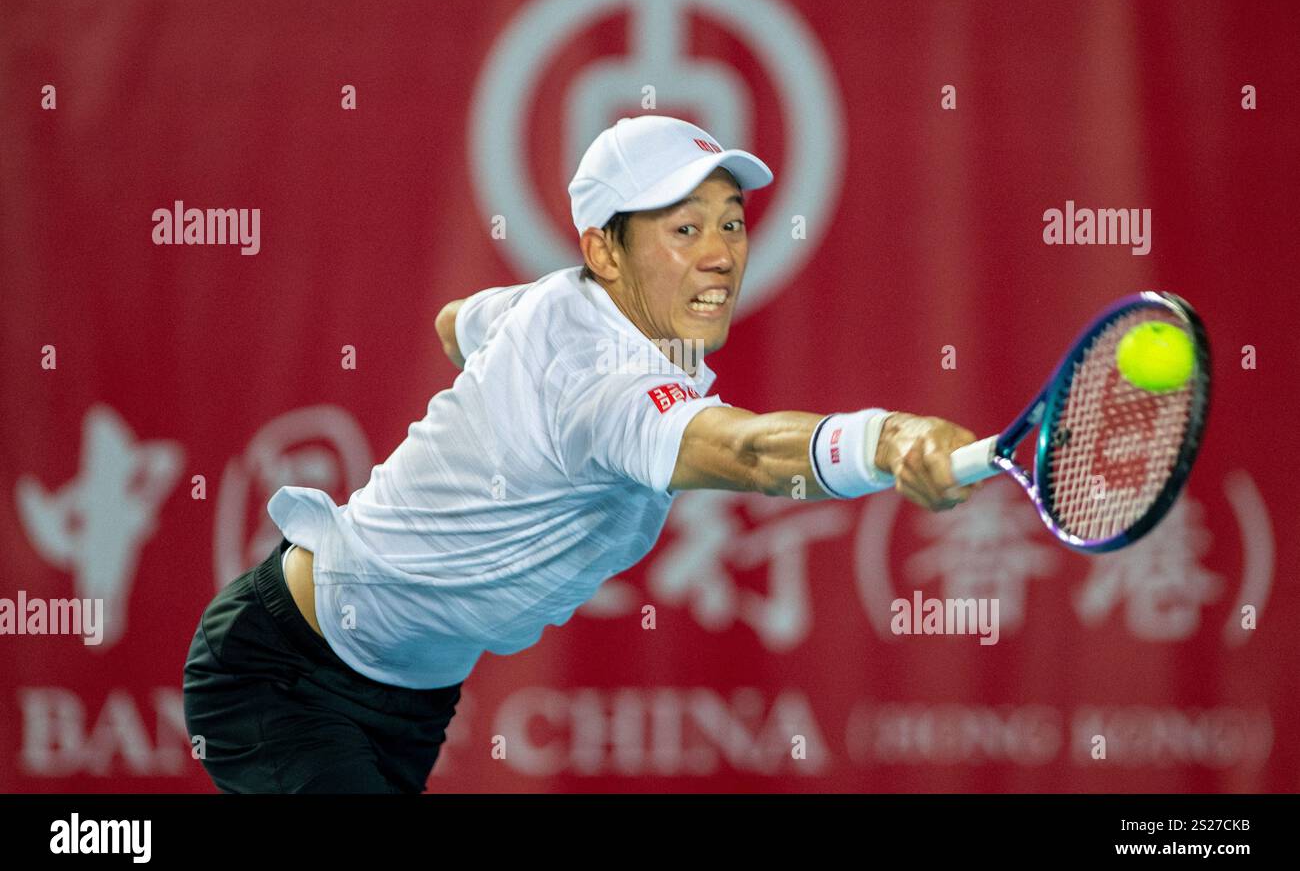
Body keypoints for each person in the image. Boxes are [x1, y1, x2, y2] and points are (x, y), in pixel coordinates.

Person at [182, 114, 981, 793]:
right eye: (683, 228)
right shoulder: (605, 385)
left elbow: (455, 321)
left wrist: (512, 383)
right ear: (604, 252)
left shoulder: (567, 310)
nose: (722, 254)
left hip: (409, 697)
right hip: (282, 673)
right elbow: (748, 455)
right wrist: (890, 438)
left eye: (731, 222)